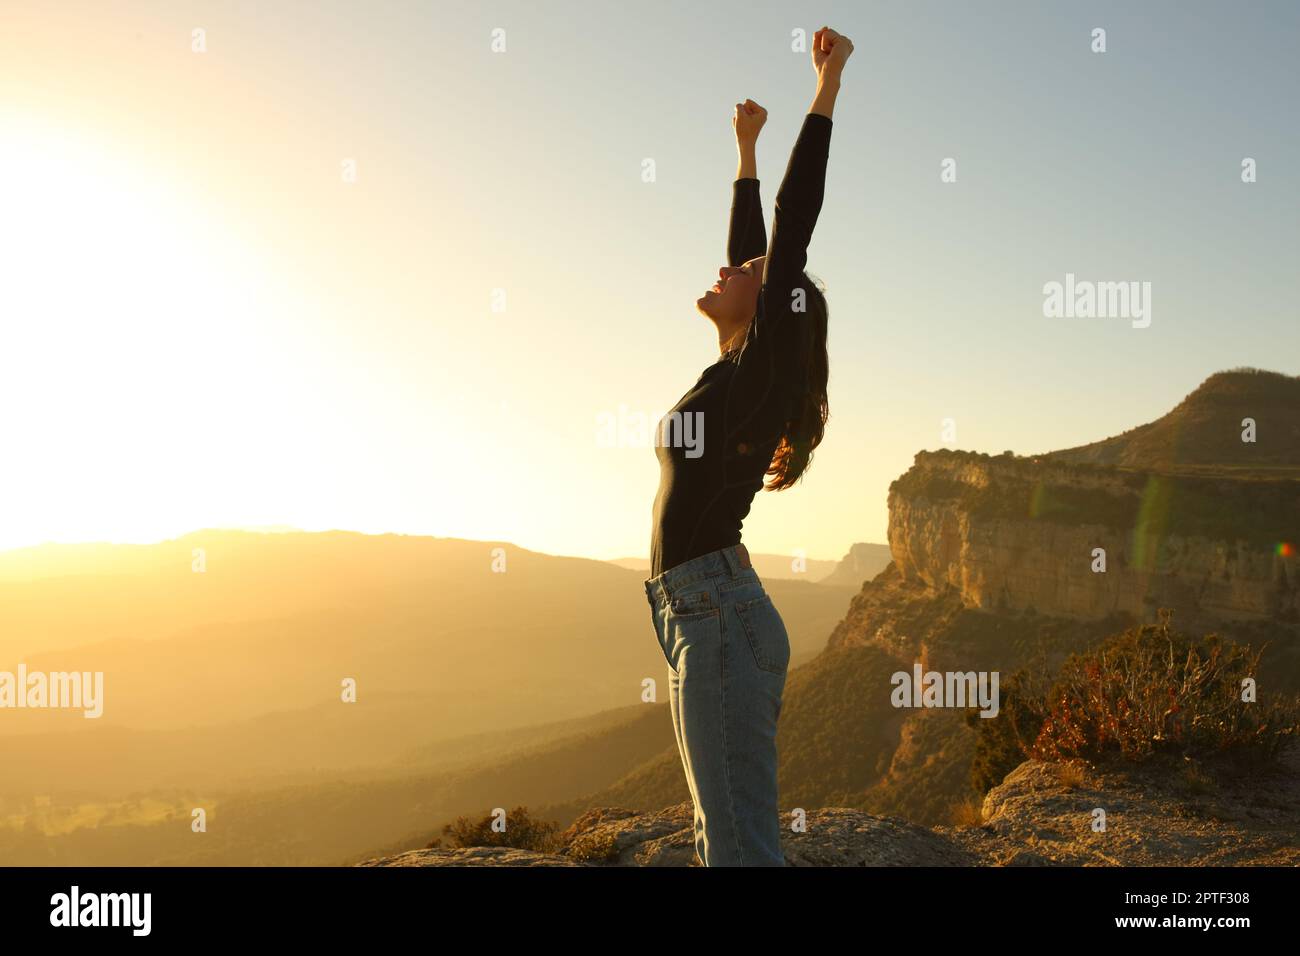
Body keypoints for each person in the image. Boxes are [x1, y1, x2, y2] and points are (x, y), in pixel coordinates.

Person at [643, 26, 853, 866]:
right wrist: (744, 154)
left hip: (718, 615)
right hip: (689, 612)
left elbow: (788, 235)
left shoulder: (760, 367)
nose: (727, 269)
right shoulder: (735, 373)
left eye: (748, 273)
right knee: (716, 833)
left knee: (737, 846)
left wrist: (826, 86)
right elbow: (754, 252)